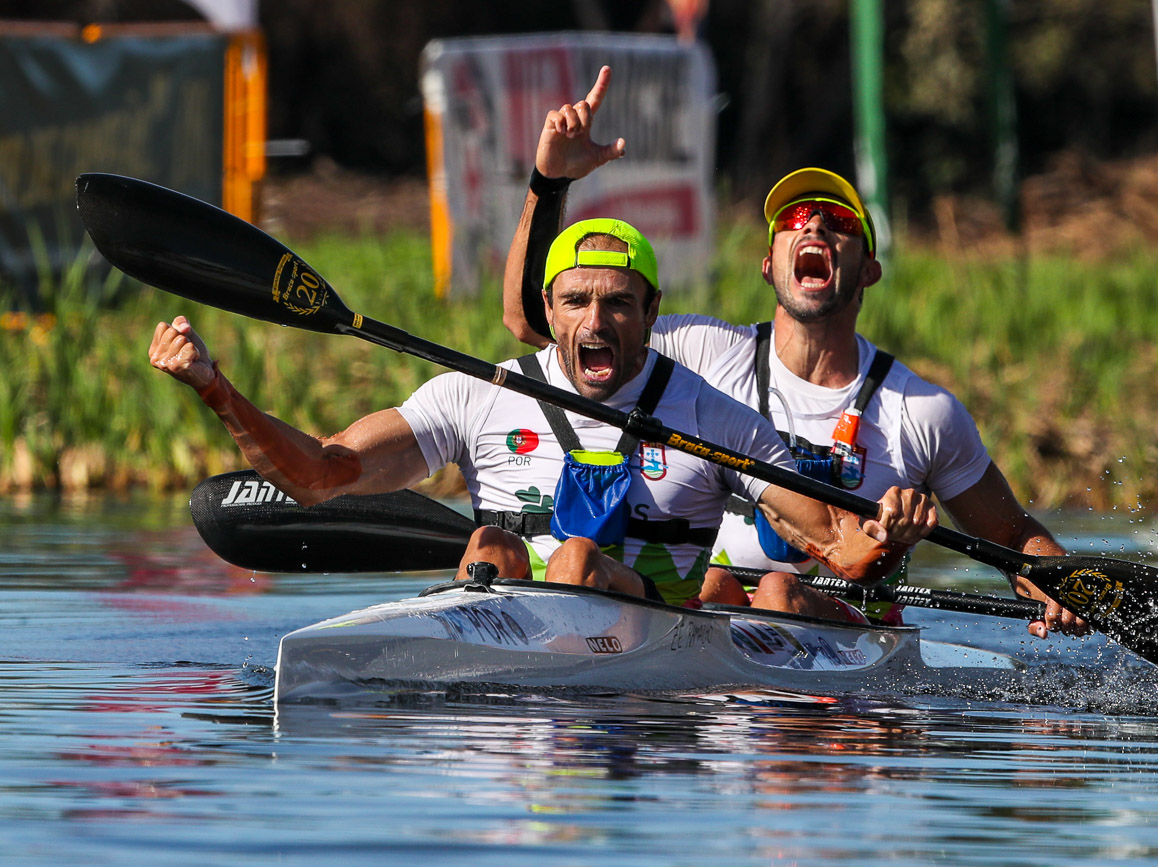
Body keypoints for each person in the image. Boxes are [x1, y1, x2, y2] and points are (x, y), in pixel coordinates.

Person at [501, 66, 1088, 637]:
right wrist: (550, 182)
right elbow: (538, 323)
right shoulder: (700, 352)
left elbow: (1013, 539)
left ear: (869, 270)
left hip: (851, 638)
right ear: (768, 263)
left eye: (837, 221)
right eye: (794, 219)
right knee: (721, 593)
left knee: (775, 593)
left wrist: (1058, 587)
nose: (813, 229)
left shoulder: (924, 411)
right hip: (716, 625)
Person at [149, 217, 937, 608]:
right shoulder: (477, 391)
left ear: (653, 310)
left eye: (620, 305)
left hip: (656, 678)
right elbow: (322, 476)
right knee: (490, 539)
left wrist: (889, 527)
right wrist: (218, 390)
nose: (596, 324)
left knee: (574, 562)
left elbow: (838, 545)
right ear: (549, 310)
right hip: (517, 691)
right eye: (576, 302)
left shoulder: (714, 416)